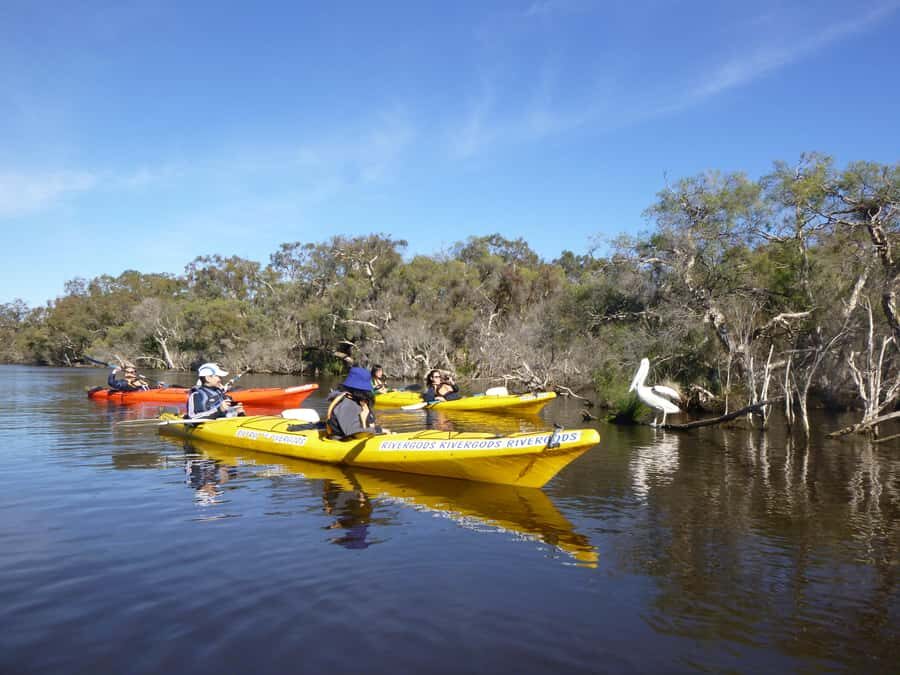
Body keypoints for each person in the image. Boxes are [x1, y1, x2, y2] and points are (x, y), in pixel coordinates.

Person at [326, 366, 389, 439]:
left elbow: (369, 425)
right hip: (344, 441)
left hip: (359, 436)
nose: (368, 393)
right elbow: (354, 432)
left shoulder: (359, 402)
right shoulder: (347, 404)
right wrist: (379, 430)